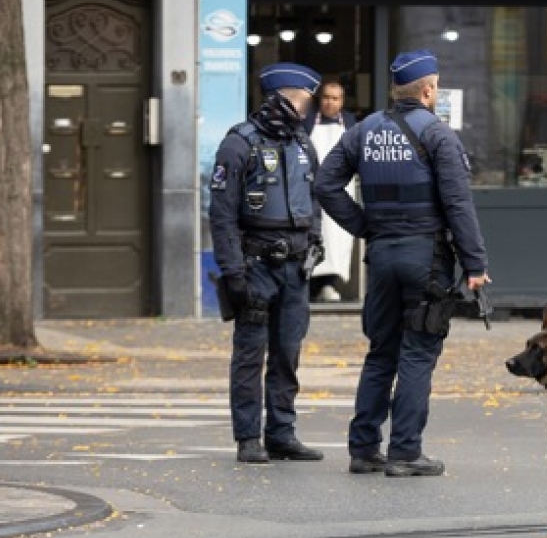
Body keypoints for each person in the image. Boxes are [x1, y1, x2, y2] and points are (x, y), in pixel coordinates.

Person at [315, 49, 490, 478]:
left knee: (381, 351)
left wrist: (363, 226)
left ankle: (363, 449)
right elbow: (457, 204)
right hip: (425, 258)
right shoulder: (438, 135)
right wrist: (475, 263)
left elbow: (325, 183)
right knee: (417, 352)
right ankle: (406, 452)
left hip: (381, 254)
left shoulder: (365, 131)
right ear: (429, 89)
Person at [209, 62, 326, 464]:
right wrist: (232, 271)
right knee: (249, 354)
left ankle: (281, 433)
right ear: (290, 99)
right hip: (255, 265)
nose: (309, 108)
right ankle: (248, 438)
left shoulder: (301, 144)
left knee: (287, 354)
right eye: (306, 101)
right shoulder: (239, 143)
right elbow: (221, 214)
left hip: (295, 267)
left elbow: (313, 199)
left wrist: (315, 241)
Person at [303, 80, 358, 302]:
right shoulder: (307, 122)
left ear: (342, 101)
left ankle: (329, 284)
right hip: (311, 189)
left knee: (338, 238)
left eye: (335, 99)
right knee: (313, 236)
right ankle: (310, 284)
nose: (330, 102)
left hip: (341, 189)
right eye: (326, 97)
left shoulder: (351, 122)